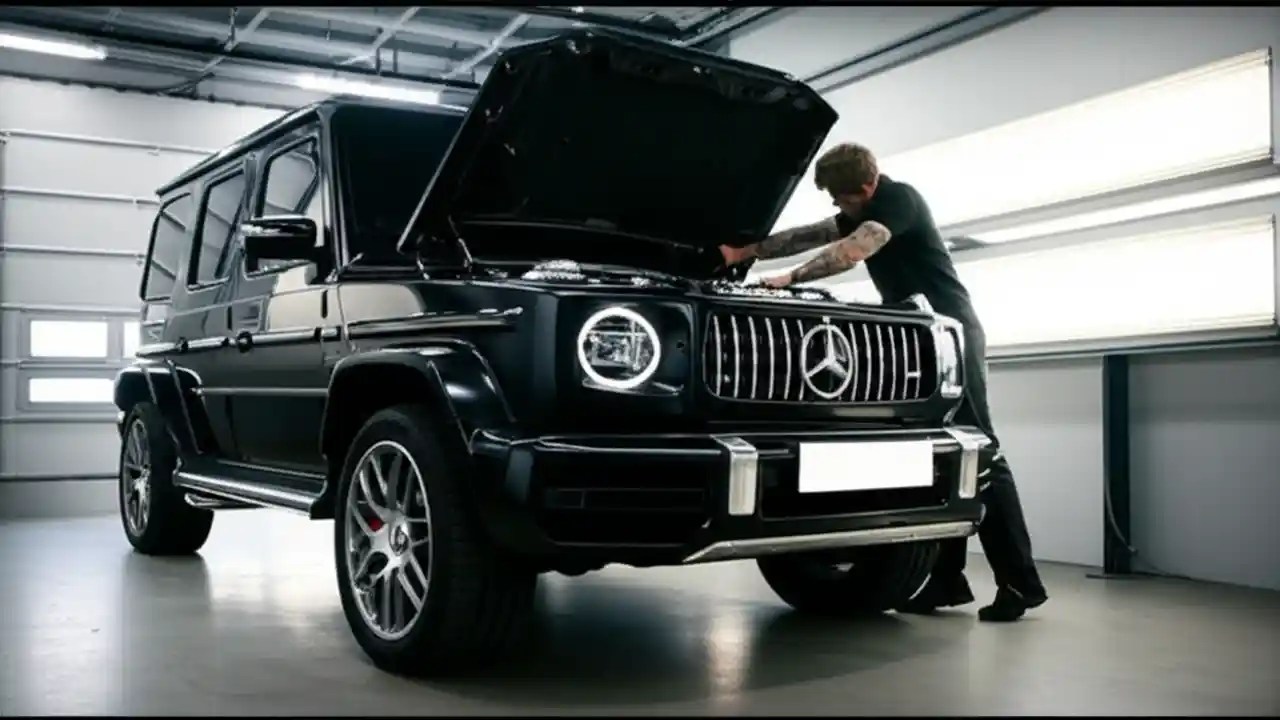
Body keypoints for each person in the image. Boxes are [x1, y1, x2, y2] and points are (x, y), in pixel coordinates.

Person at [719, 143, 1048, 622]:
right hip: (916, 339)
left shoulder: (899, 201)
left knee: (981, 451)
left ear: (867, 186)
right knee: (936, 454)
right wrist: (746, 251)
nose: (838, 205)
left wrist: (786, 280)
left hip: (950, 335)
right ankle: (944, 580)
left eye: (842, 197)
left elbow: (851, 252)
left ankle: (1021, 582)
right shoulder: (864, 208)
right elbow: (810, 234)